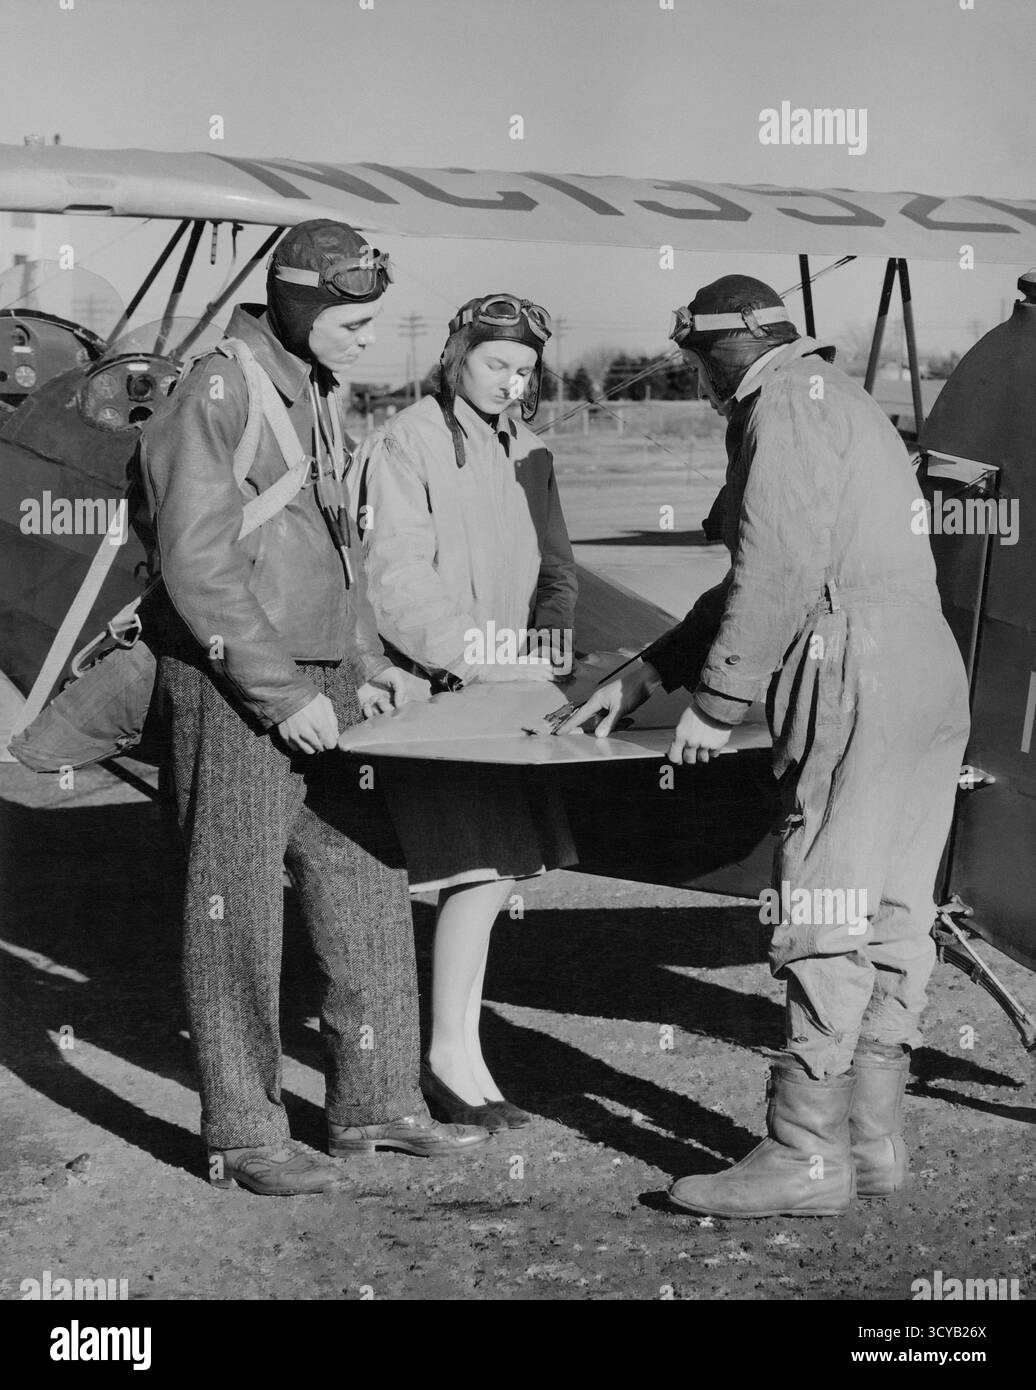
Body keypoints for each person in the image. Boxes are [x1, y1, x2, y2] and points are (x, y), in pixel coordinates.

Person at [561, 275, 970, 1218]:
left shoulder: (779, 402)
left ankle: (803, 1155)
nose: (702, 383)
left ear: (728, 349)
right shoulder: (844, 401)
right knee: (895, 909)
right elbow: (765, 573)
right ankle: (870, 1142)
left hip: (853, 664)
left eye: (701, 363)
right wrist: (652, 671)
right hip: (924, 665)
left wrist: (717, 701)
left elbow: (779, 569)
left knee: (824, 901)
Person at [138, 221, 491, 1195]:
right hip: (236, 678)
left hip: (324, 676)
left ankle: (376, 1102)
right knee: (234, 900)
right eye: (355, 320)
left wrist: (367, 658)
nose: (369, 338)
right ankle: (244, 1132)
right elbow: (195, 563)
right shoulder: (219, 386)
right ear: (300, 305)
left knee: (365, 871)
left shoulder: (314, 390)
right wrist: (282, 691)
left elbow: (340, 535)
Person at [353, 294, 577, 1131]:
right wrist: (480, 661)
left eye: (524, 372)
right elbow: (397, 580)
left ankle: (460, 1050)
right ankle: (448, 1056)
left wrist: (546, 659)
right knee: (478, 871)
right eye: (495, 365)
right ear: (454, 355)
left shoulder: (526, 445)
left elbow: (556, 570)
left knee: (502, 874)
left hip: (511, 690)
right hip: (443, 689)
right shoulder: (406, 442)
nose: (511, 384)